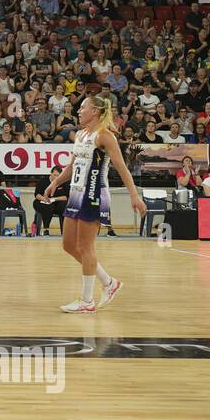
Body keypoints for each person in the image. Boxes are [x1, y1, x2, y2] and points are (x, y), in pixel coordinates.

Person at [44, 94, 146, 313]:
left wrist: (134, 195)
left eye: (83, 107)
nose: (79, 110)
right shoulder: (80, 134)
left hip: (94, 194)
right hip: (75, 193)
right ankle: (109, 283)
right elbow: (71, 167)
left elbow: (122, 167)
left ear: (96, 112)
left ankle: (87, 301)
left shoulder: (105, 136)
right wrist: (55, 183)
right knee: (69, 245)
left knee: (86, 247)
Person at [33, 165, 67, 235]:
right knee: (48, 206)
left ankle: (65, 230)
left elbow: (67, 197)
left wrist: (54, 199)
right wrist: (44, 199)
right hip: (43, 201)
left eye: (58, 176)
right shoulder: (42, 181)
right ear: (51, 173)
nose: (56, 177)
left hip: (56, 203)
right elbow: (37, 195)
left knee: (64, 205)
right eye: (54, 175)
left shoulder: (63, 182)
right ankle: (46, 229)